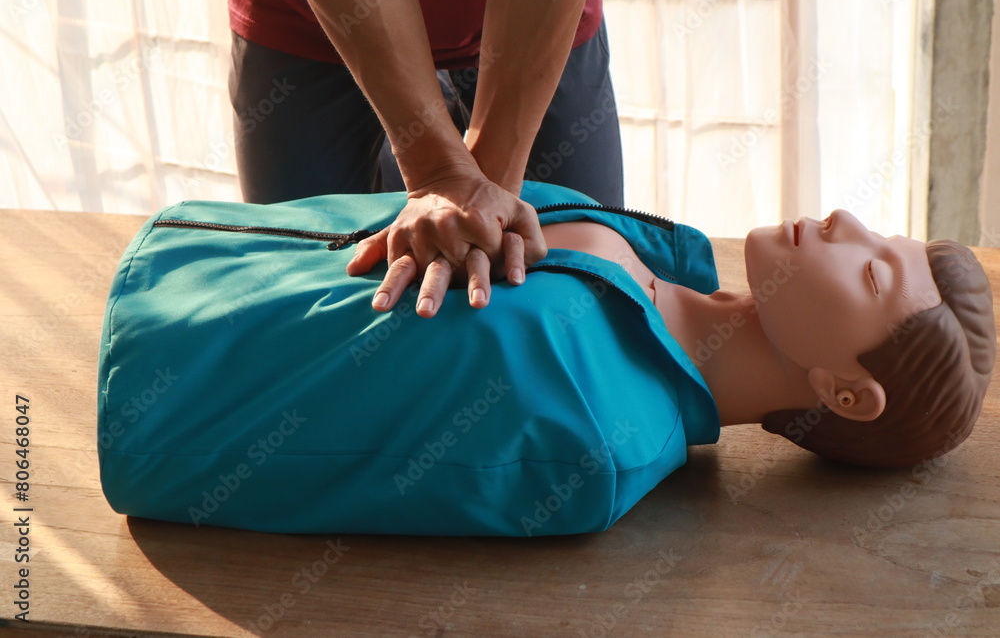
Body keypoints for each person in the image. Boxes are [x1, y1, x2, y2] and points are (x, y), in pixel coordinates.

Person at [96, 182, 995, 536]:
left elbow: (327, 456)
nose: (845, 220)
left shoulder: (594, 438)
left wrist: (153, 416)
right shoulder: (666, 256)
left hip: (149, 373)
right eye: (881, 232)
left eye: (873, 271)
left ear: (846, 393)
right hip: (190, 246)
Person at [227, 0, 625, 317]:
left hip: (536, 10)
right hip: (305, 16)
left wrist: (485, 197)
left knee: (586, 289)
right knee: (302, 299)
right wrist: (439, 174)